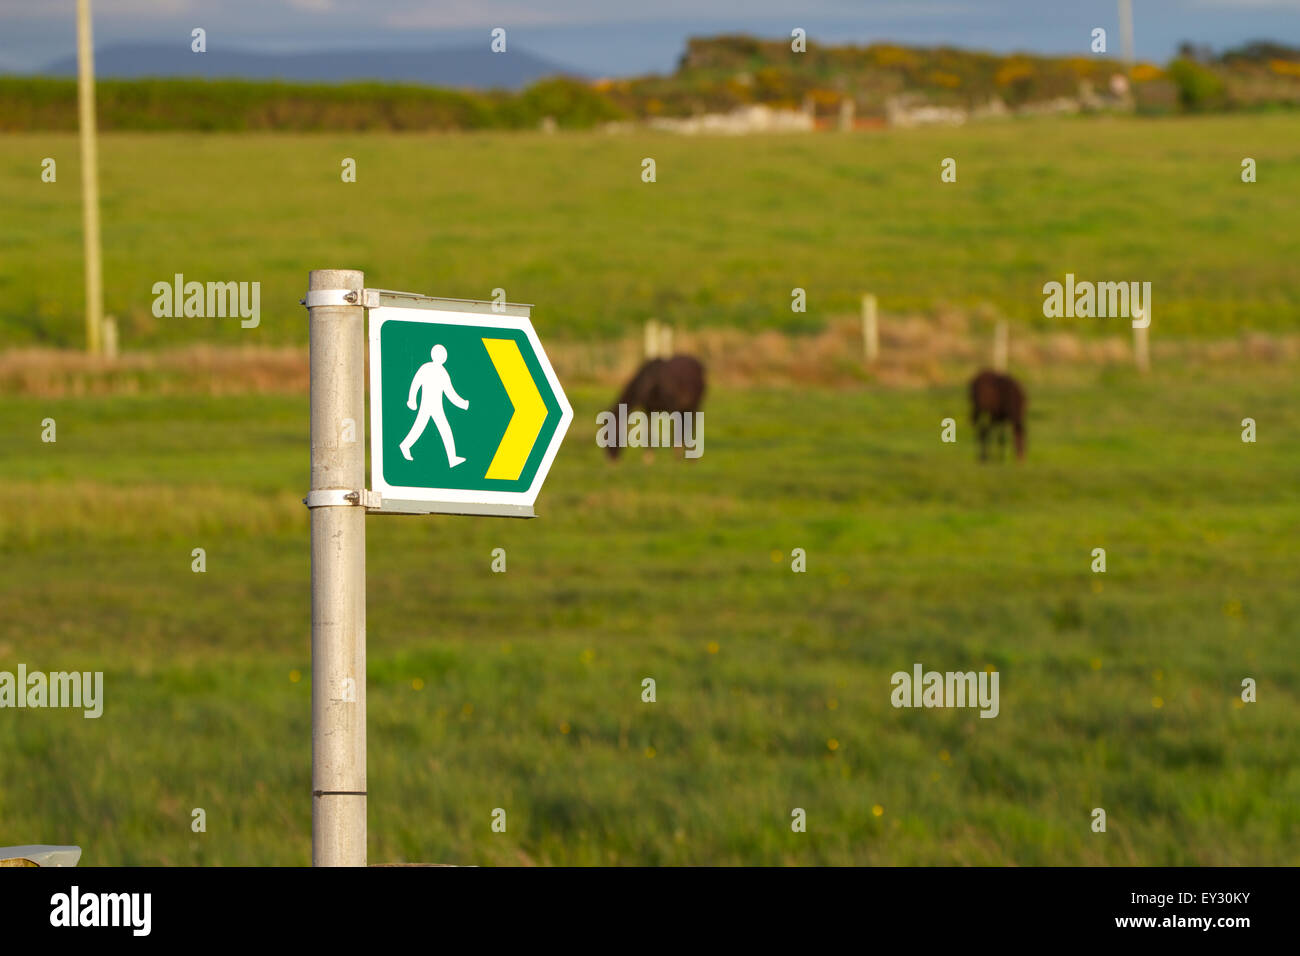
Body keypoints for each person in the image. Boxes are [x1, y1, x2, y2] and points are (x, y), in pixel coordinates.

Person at [400, 344, 469, 466]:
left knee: (426, 428)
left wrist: (462, 403)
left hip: (434, 407)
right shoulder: (436, 371)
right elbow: (417, 383)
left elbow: (449, 392)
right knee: (437, 429)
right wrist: (411, 400)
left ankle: (452, 458)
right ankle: (405, 445)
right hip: (430, 406)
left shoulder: (432, 369)